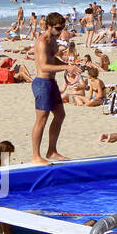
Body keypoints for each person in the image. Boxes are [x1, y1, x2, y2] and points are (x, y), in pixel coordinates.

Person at [31, 12, 77, 165]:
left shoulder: (54, 40)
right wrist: (65, 66)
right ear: (49, 26)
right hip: (42, 82)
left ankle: (51, 151)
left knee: (60, 115)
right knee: (41, 119)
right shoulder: (42, 42)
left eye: (62, 28)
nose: (60, 31)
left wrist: (69, 67)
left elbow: (52, 59)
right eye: (58, 28)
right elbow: (43, 66)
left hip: (51, 83)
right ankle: (35, 156)